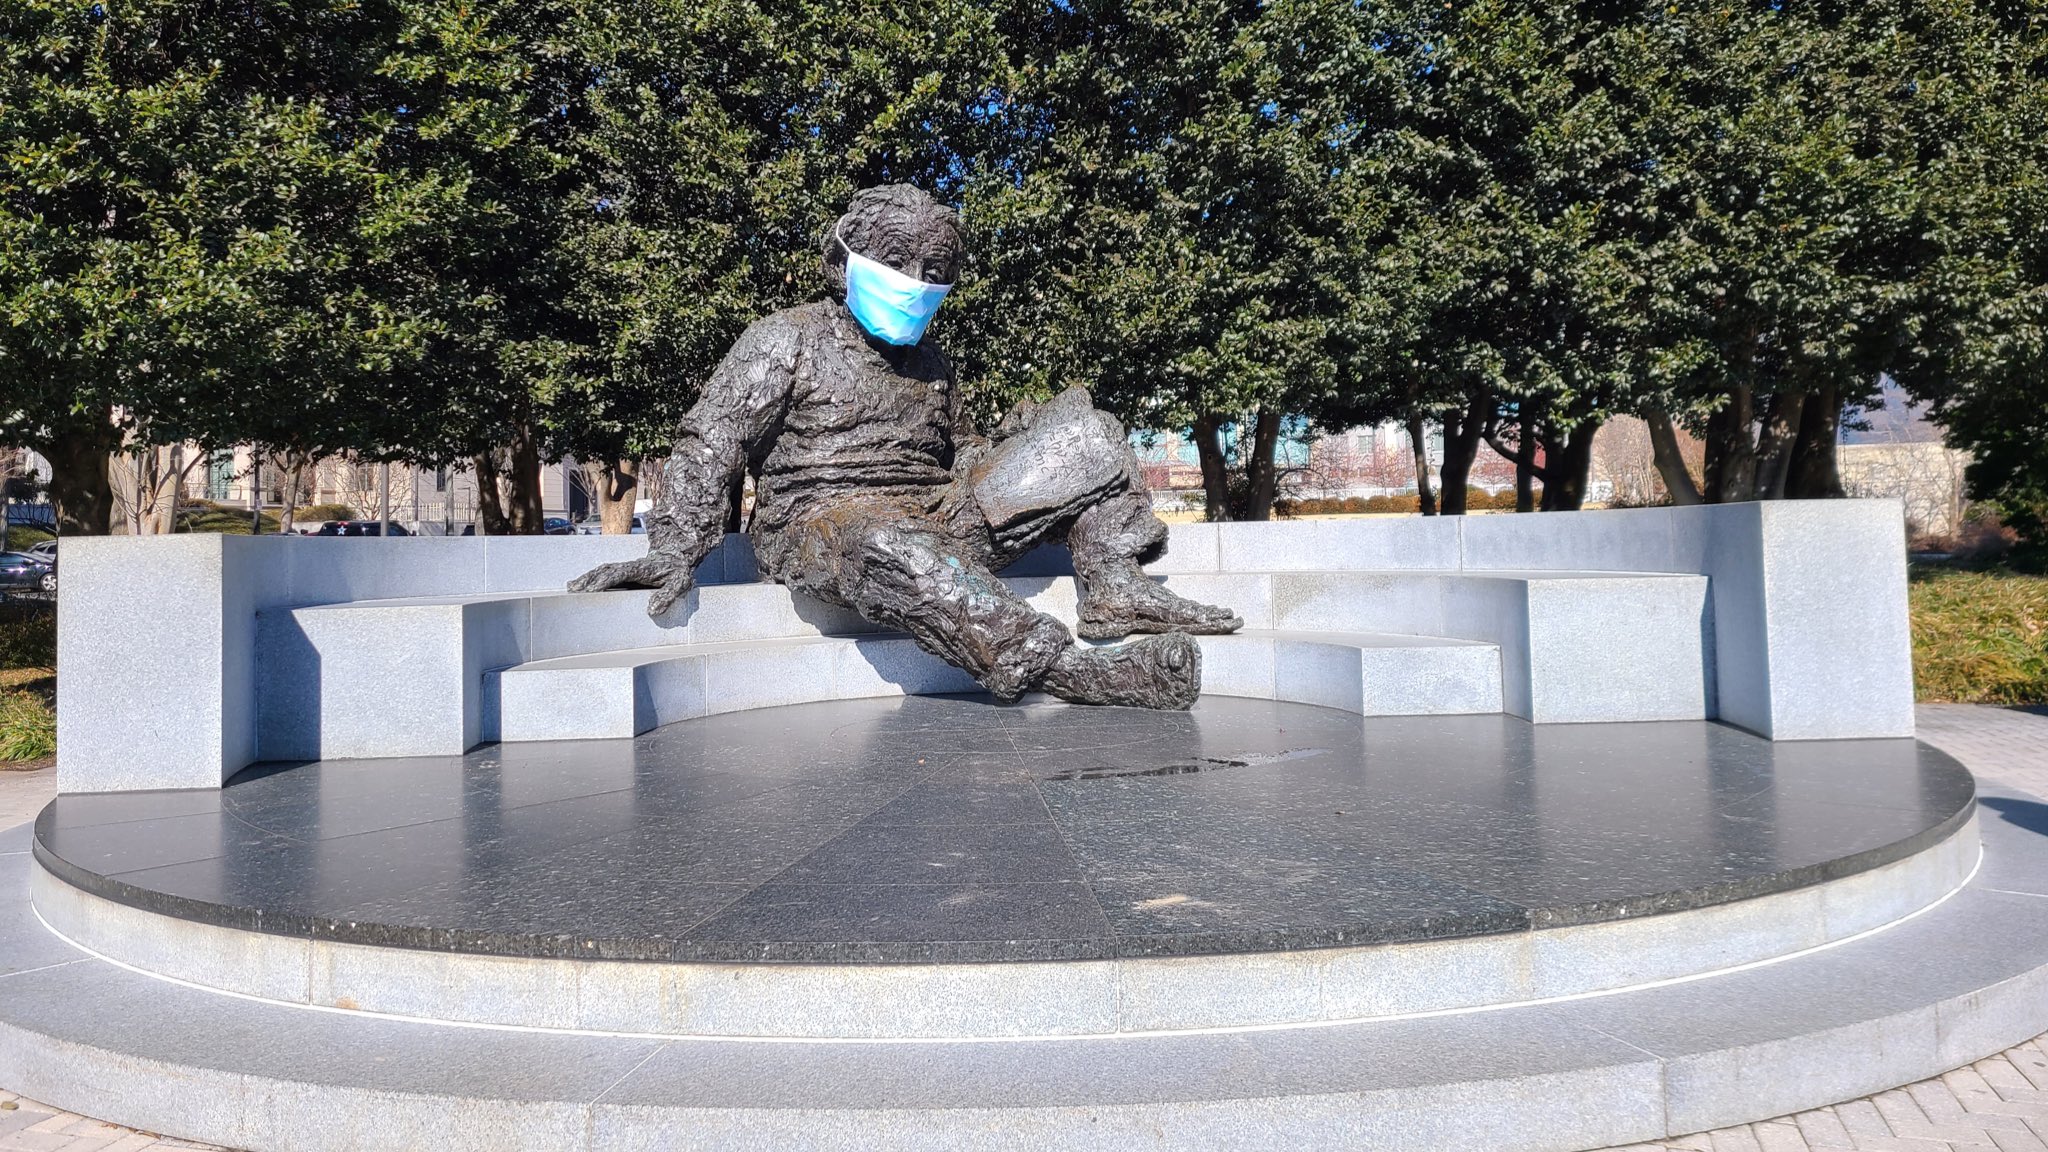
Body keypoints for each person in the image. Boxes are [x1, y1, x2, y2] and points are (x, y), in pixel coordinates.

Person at [570, 185, 1240, 709]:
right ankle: (1068, 670)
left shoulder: (933, 361)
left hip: (936, 516)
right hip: (822, 527)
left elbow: (964, 455)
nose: (917, 280)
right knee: (881, 539)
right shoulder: (786, 337)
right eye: (896, 264)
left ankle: (1113, 587)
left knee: (1085, 431)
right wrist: (675, 546)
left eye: (934, 269)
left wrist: (1024, 448)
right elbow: (710, 440)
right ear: (840, 264)